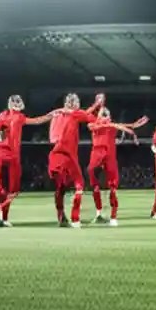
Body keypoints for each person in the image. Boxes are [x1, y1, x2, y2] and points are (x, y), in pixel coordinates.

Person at [0, 95, 53, 227]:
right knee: (11, 190)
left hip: (3, 154)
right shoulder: (14, 116)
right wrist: (50, 115)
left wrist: (50, 115)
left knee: (5, 190)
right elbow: (35, 121)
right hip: (7, 155)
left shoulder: (13, 116)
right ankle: (0, 211)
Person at [48, 93, 105, 228]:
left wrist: (95, 106)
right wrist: (99, 105)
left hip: (55, 155)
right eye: (77, 101)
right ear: (72, 103)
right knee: (79, 185)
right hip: (68, 156)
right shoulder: (75, 114)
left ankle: (61, 217)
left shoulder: (58, 114)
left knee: (60, 189)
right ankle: (75, 218)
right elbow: (90, 118)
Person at [88, 106, 148, 226]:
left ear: (109, 116)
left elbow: (126, 127)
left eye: (106, 112)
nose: (104, 112)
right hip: (97, 155)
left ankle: (113, 217)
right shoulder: (93, 125)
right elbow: (97, 126)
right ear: (98, 116)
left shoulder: (113, 125)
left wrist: (133, 126)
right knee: (94, 184)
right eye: (102, 112)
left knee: (113, 188)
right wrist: (118, 126)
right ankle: (99, 213)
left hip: (110, 156)